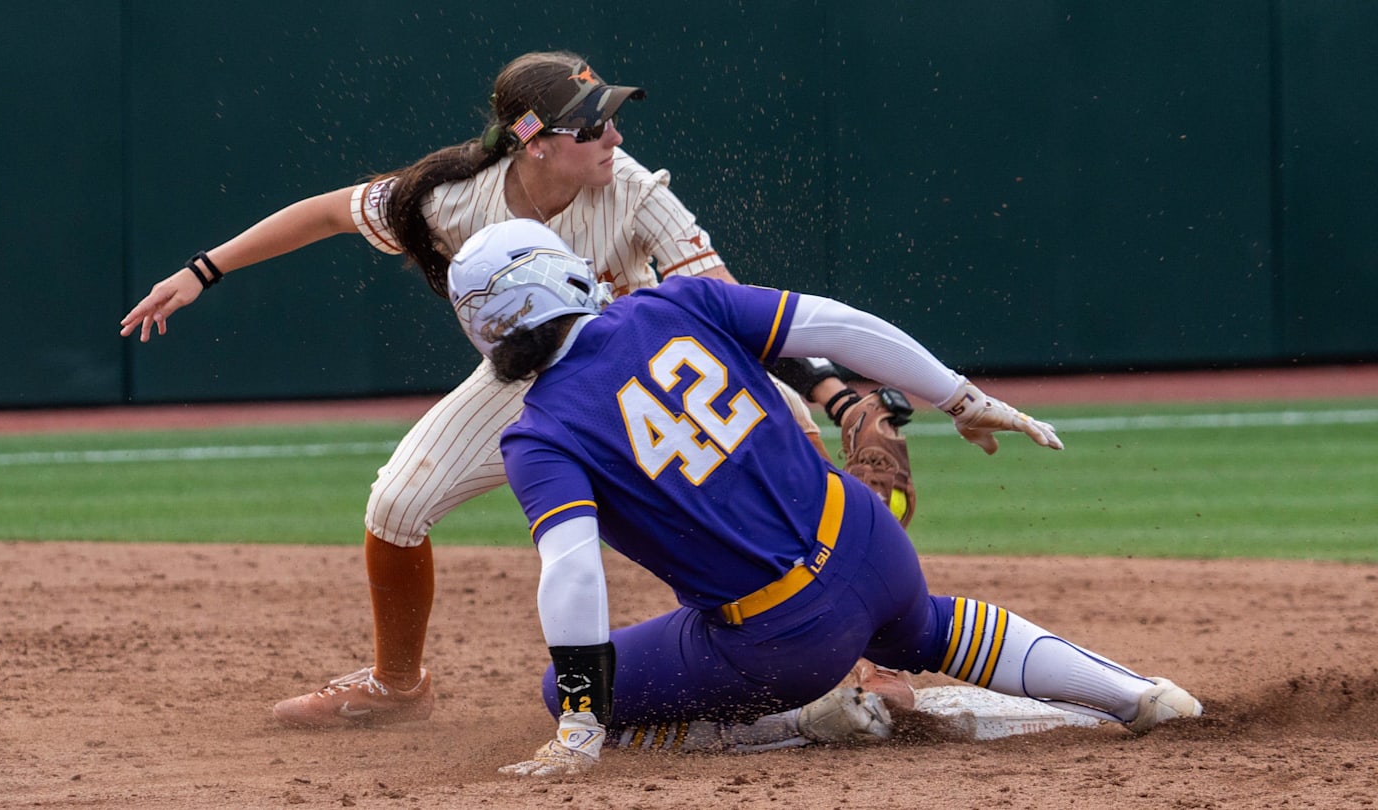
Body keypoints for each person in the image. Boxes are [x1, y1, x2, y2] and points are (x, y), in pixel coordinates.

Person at [118, 50, 902, 728]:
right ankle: (398, 687)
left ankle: (876, 649)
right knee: (395, 506)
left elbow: (734, 301)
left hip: (651, 368)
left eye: (612, 119)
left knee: (790, 443)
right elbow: (326, 213)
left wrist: (833, 394)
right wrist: (201, 271)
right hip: (536, 381)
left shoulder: (629, 187)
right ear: (533, 140)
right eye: (592, 125)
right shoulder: (453, 197)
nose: (614, 136)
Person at [442, 219, 1203, 777]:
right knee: (928, 627)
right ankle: (1134, 693)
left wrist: (581, 714)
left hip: (783, 642)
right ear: (561, 276)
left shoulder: (539, 436)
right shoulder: (676, 304)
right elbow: (837, 326)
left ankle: (803, 722)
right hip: (874, 547)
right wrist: (957, 397)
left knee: (563, 691)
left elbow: (572, 571)